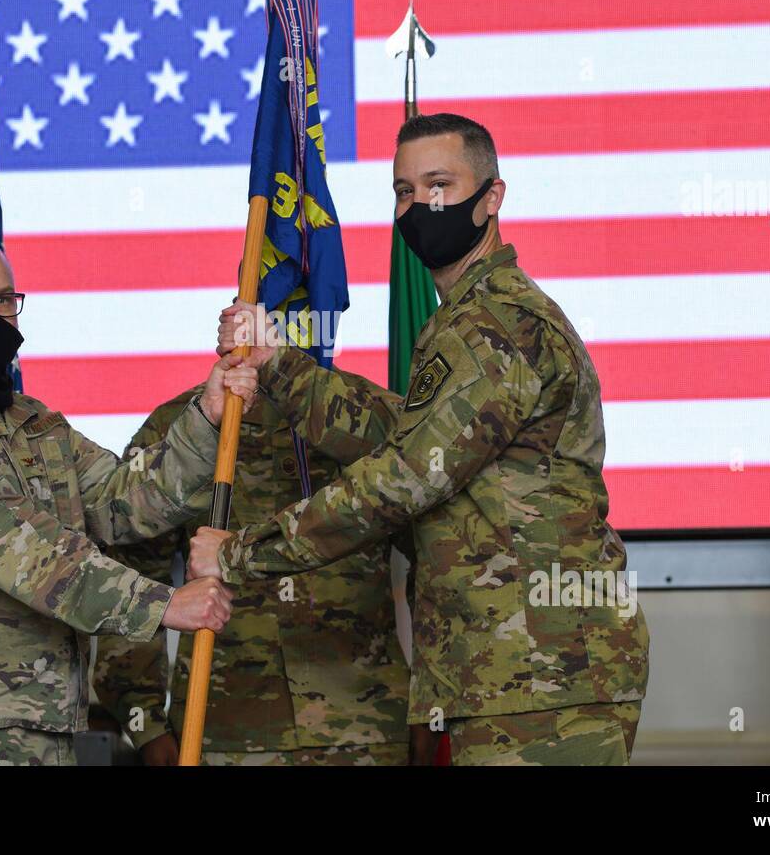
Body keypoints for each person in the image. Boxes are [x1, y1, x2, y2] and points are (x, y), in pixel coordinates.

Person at [191, 113, 650, 765]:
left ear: (491, 198)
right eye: (405, 191)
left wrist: (237, 556)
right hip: (516, 670)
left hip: (542, 673)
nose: (419, 206)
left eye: (439, 185)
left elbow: (404, 477)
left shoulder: (495, 323)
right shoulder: (468, 319)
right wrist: (278, 364)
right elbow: (403, 430)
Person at [0, 232, 255, 765]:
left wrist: (205, 417)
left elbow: (125, 501)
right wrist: (163, 603)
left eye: (2, 301)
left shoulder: (33, 425)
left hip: (43, 729)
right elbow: (18, 549)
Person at [94, 385, 411, 766]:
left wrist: (433, 707)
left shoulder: (374, 416)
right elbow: (135, 573)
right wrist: (145, 725)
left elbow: (435, 559)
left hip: (368, 728)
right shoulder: (185, 424)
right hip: (224, 731)